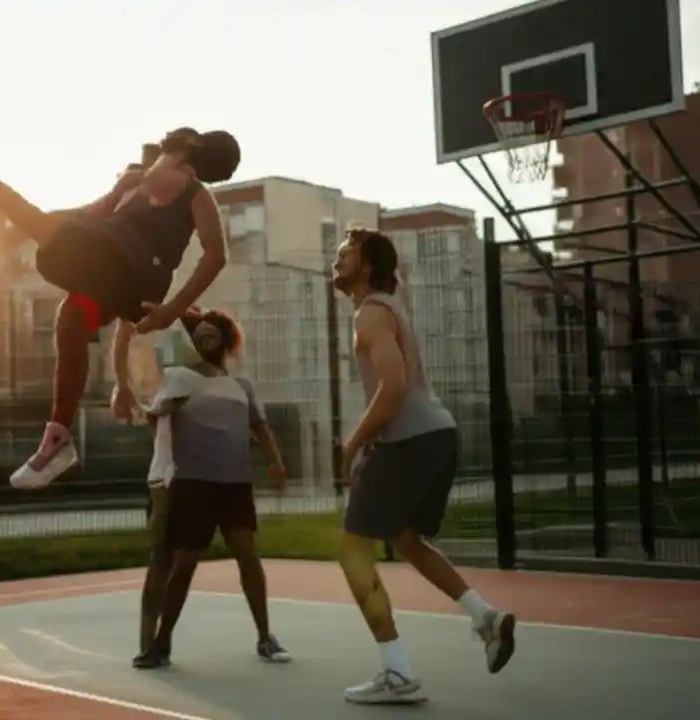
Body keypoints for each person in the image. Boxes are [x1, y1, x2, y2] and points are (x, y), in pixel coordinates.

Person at [0, 127, 239, 490]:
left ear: (193, 150)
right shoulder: (134, 183)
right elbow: (88, 215)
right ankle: (58, 439)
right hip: (104, 269)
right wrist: (28, 227)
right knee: (71, 319)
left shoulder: (196, 194)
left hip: (136, 272)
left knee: (47, 232)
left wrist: (173, 309)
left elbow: (216, 255)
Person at [330, 229, 516, 705]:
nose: (336, 259)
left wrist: (353, 444)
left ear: (368, 267)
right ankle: (485, 618)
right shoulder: (391, 305)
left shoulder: (370, 312)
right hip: (436, 434)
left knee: (354, 551)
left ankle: (396, 672)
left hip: (412, 438)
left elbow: (392, 388)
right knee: (408, 538)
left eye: (346, 253)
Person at [133, 308, 292, 669]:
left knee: (248, 557)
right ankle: (162, 642)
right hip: (192, 483)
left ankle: (266, 636)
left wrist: (275, 461)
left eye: (212, 333)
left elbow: (260, 428)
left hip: (235, 483)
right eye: (199, 335)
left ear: (226, 338)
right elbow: (154, 419)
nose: (205, 338)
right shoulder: (179, 378)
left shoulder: (242, 386)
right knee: (184, 562)